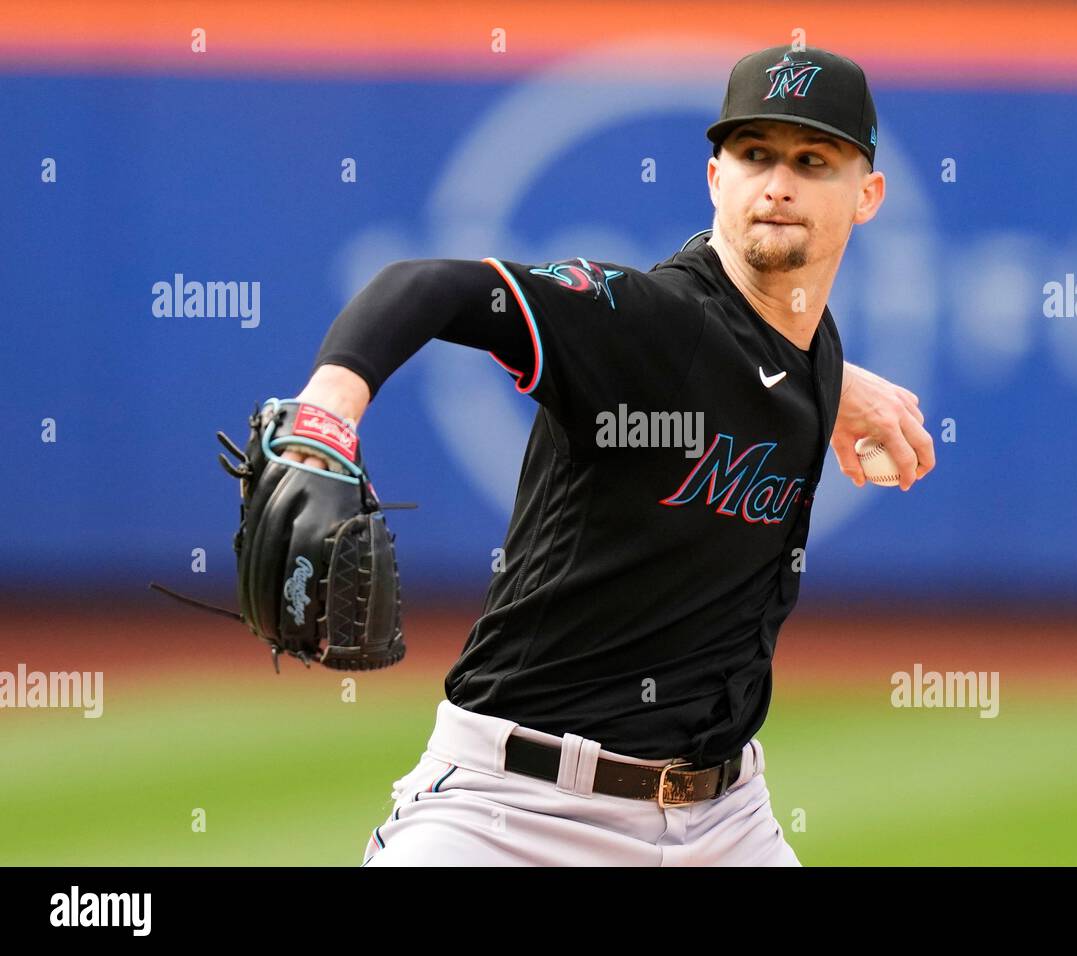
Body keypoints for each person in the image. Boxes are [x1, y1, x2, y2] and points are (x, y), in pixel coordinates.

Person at [284, 44, 934, 866]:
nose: (778, 183)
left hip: (729, 822)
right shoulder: (645, 319)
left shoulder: (810, 346)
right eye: (755, 154)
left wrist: (838, 387)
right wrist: (327, 414)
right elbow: (431, 286)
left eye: (813, 161)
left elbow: (760, 358)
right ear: (714, 178)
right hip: (518, 812)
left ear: (867, 195)